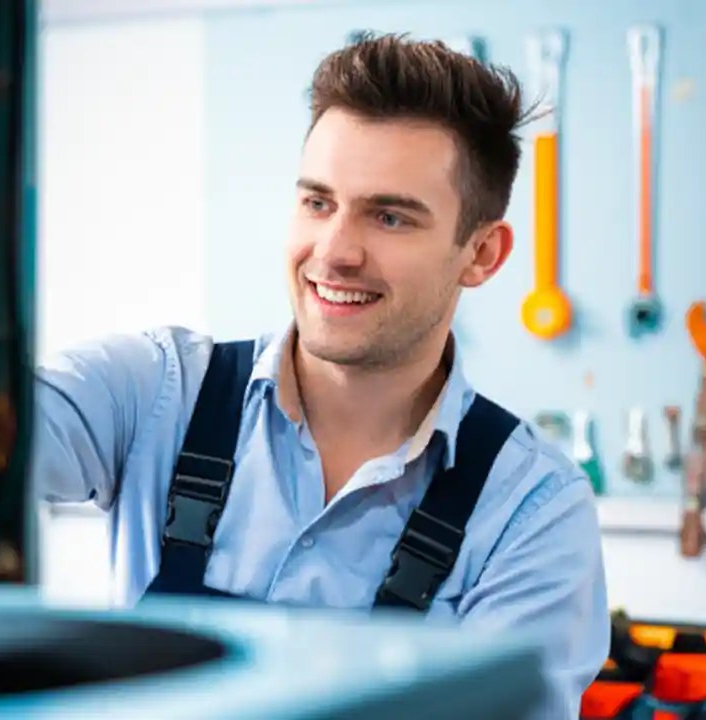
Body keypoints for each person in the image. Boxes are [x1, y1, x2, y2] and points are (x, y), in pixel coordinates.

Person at [33, 31, 609, 718]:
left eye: (389, 216)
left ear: (481, 253)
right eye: (317, 202)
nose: (334, 252)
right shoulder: (155, 391)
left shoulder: (533, 513)